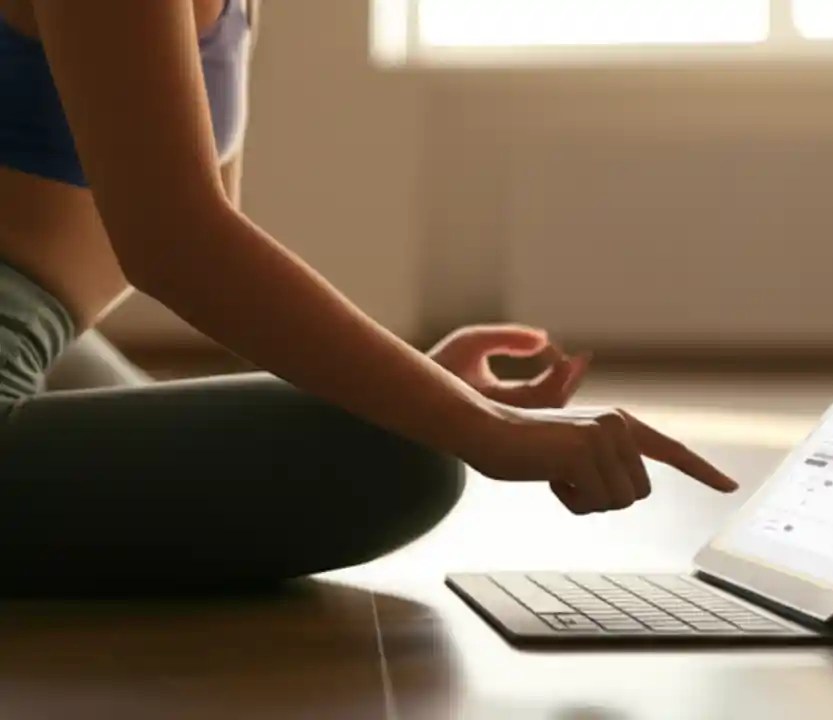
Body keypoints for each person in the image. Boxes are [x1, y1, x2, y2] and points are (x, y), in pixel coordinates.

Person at [0, 0, 737, 592]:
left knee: (390, 421)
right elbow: (177, 248)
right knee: (405, 459)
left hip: (53, 334)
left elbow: (215, 250)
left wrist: (414, 383)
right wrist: (480, 424)